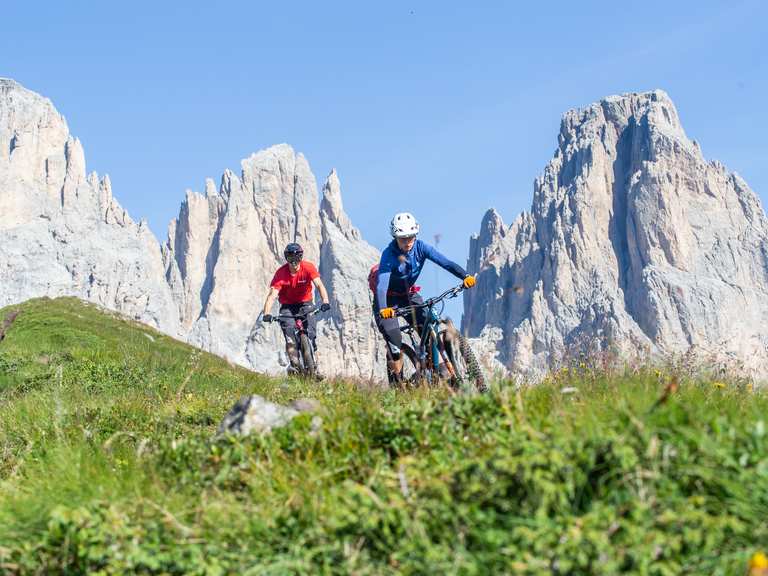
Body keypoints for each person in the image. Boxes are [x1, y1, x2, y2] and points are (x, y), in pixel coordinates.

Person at [374, 212, 476, 378]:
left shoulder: (422, 247)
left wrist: (465, 276)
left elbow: (446, 263)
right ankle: (399, 383)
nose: (407, 242)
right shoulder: (389, 254)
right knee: (395, 339)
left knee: (428, 329)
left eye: (410, 237)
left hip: (408, 296)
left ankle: (434, 372)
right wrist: (384, 308)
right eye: (402, 238)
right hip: (388, 299)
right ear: (395, 237)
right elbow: (381, 286)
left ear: (415, 235)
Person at [262, 243, 331, 374]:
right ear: (286, 259)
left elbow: (319, 285)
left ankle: (314, 367)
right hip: (287, 307)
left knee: (310, 334)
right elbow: (272, 295)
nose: (294, 262)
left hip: (305, 304)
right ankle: (295, 366)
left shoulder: (308, 268)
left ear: (301, 257)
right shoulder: (281, 274)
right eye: (290, 258)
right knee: (290, 336)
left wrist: (325, 301)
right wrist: (267, 313)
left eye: (297, 258)